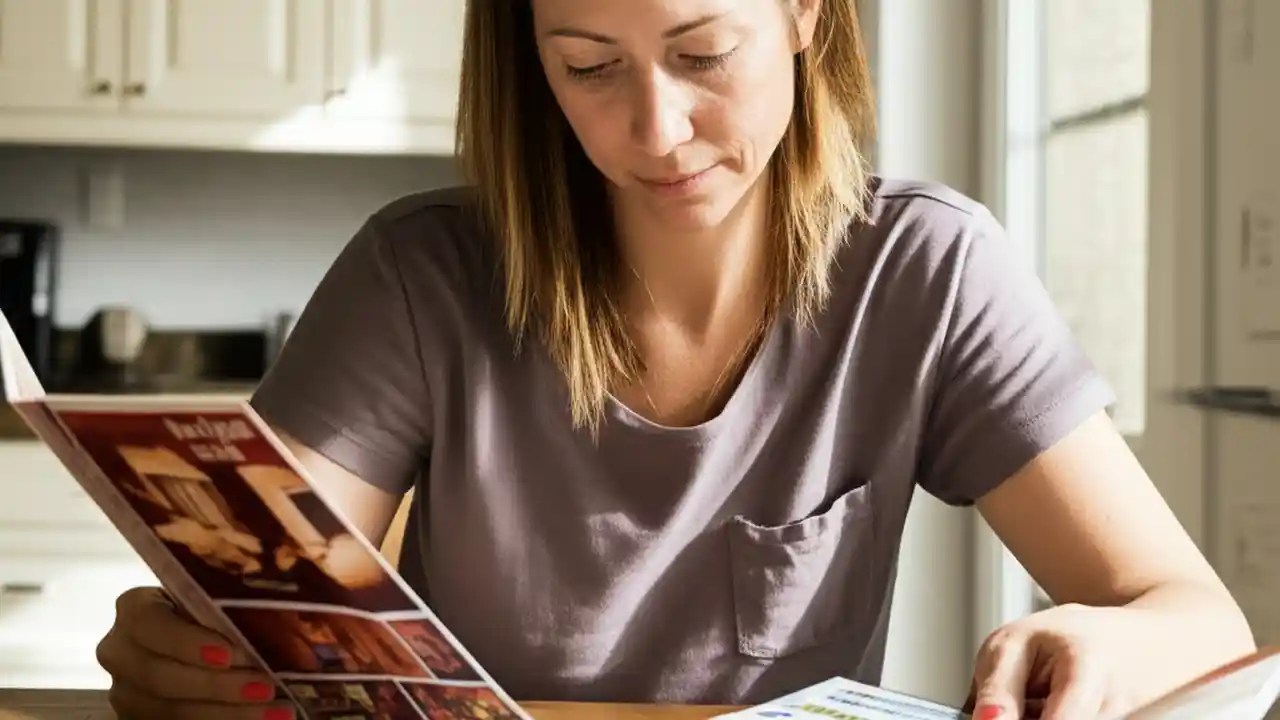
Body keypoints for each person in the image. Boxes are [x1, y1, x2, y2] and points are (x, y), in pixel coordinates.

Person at [92, 0, 1258, 718]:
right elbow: (259, 608)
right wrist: (189, 662)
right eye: (588, 66)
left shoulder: (926, 271)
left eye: (702, 53)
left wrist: (1104, 644)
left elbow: (1197, 622)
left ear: (805, 10)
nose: (653, 131)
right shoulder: (416, 275)